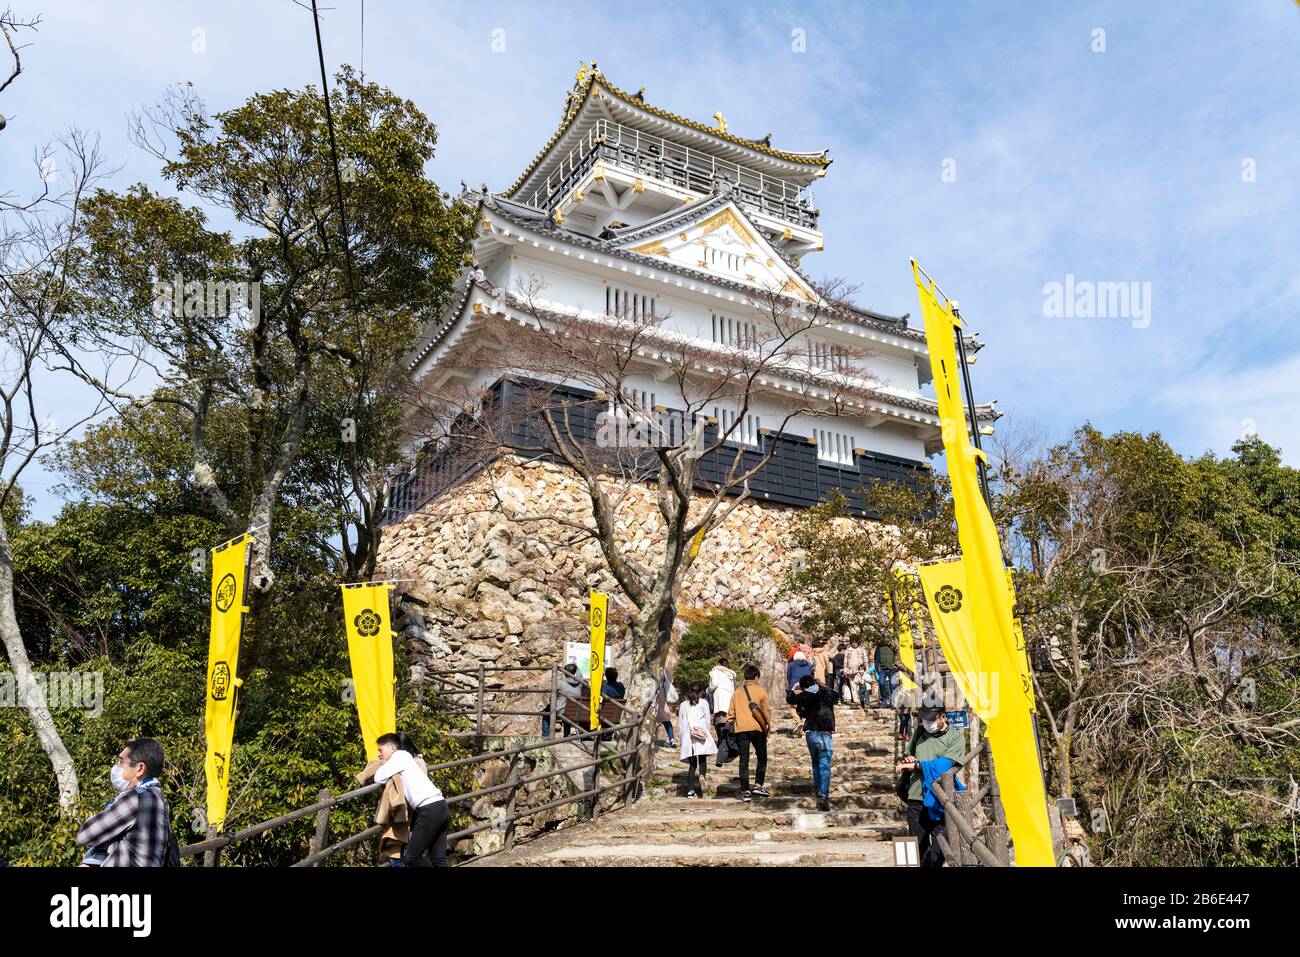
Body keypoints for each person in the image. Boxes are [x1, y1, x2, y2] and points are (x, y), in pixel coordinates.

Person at [75, 738, 176, 867]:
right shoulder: (159, 798)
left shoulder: (136, 798)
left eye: (121, 761)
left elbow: (86, 835)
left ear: (139, 768)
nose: (116, 767)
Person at [894, 707, 967, 867]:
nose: (926, 723)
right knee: (918, 849)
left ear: (943, 717)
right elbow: (908, 754)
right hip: (915, 796)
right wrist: (909, 759)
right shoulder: (920, 732)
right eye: (923, 720)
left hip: (940, 799)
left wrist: (918, 765)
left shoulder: (956, 738)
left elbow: (944, 766)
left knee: (942, 845)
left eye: (931, 720)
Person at [374, 731, 449, 866]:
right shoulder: (406, 758)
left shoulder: (399, 757)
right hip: (441, 806)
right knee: (438, 858)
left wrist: (382, 765)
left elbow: (378, 777)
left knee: (412, 858)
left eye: (381, 750)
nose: (379, 754)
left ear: (393, 748)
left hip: (429, 809)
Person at [786, 673, 836, 811]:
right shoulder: (825, 692)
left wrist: (794, 687)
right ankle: (823, 795)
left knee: (815, 762)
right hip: (825, 732)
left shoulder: (803, 696)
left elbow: (790, 699)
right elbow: (836, 695)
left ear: (803, 686)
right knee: (824, 764)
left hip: (811, 733)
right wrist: (821, 684)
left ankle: (818, 788)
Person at [726, 664, 771, 801]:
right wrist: (768, 728)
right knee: (762, 756)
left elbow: (730, 714)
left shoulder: (737, 693)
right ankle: (758, 785)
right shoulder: (761, 691)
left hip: (741, 730)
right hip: (758, 729)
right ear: (757, 677)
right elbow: (766, 711)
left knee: (743, 760)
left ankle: (745, 790)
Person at [678, 682, 717, 798]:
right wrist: (707, 733)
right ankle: (702, 776)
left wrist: (681, 738)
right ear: (701, 691)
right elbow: (707, 719)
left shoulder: (683, 704)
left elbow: (680, 723)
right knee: (703, 758)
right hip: (701, 734)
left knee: (692, 764)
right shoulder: (704, 703)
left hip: (688, 736)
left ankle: (690, 791)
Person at [542, 661, 584, 736]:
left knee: (546, 714)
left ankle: (545, 736)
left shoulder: (560, 683)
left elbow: (552, 698)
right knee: (568, 712)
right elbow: (580, 676)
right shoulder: (581, 684)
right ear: (575, 672)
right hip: (576, 712)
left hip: (561, 711)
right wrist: (576, 668)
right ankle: (566, 735)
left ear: (564, 672)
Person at [708, 657, 736, 724]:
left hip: (720, 699)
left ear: (719, 664)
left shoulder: (715, 671)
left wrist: (709, 690)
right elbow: (733, 689)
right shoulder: (730, 674)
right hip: (729, 700)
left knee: (720, 721)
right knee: (728, 721)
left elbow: (714, 684)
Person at [656, 668, 678, 747]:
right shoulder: (665, 669)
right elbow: (670, 680)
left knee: (650, 716)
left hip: (652, 692)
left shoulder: (652, 666)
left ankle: (649, 738)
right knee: (665, 717)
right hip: (662, 692)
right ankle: (672, 738)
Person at [844, 639, 869, 707]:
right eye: (853, 642)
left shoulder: (862, 650)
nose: (854, 644)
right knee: (853, 687)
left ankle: (863, 701)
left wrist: (867, 670)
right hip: (850, 671)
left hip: (860, 672)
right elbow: (845, 661)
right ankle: (856, 701)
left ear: (858, 643)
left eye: (856, 642)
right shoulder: (848, 650)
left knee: (861, 687)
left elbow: (866, 660)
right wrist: (845, 670)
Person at [874, 642, 898, 709]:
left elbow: (897, 656)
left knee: (892, 685)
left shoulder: (893, 646)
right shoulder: (879, 647)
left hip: (892, 670)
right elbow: (876, 659)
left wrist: (896, 668)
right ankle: (884, 701)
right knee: (881, 683)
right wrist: (877, 670)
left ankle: (893, 702)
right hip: (882, 670)